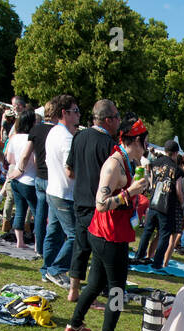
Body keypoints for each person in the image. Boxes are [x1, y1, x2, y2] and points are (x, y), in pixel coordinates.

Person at [64, 118, 150, 331]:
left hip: (109, 233)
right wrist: (128, 193)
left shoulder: (126, 161)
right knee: (117, 290)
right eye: (145, 142)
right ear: (137, 141)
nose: (146, 148)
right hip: (109, 236)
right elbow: (101, 204)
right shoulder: (114, 164)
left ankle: (74, 323)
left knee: (94, 283)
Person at [65, 100, 120, 302]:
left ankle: (74, 289)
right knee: (98, 253)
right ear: (108, 120)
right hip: (99, 204)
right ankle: (91, 294)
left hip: (79, 198)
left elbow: (69, 170)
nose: (118, 121)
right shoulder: (110, 145)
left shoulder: (79, 136)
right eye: (116, 117)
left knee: (80, 248)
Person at [41, 94, 78, 284]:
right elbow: (70, 171)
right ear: (64, 113)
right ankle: (56, 269)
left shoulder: (54, 132)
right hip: (63, 193)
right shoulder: (66, 138)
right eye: (75, 111)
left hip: (53, 189)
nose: (78, 115)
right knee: (75, 236)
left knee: (54, 233)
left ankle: (47, 269)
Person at [3, 110, 38, 250]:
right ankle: (37, 243)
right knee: (37, 213)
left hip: (16, 178)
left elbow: (9, 158)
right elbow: (35, 160)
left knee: (19, 211)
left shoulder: (14, 138)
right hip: (29, 179)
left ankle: (20, 241)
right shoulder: (32, 138)